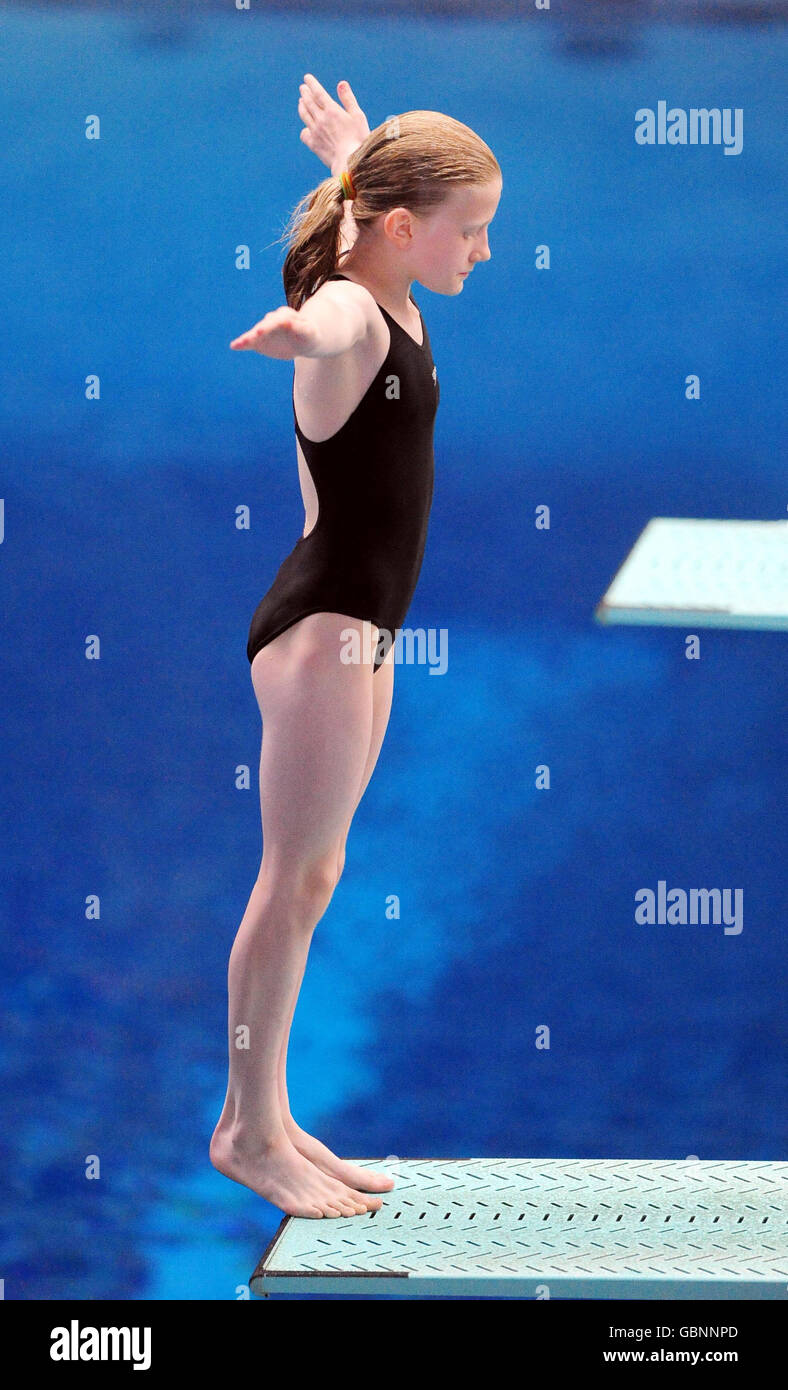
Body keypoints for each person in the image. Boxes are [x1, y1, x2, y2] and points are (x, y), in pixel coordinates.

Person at [210, 75, 502, 1218]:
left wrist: (353, 146)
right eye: (468, 231)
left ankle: (272, 1115)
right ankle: (243, 1127)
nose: (481, 252)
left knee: (317, 875)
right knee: (291, 880)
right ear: (398, 230)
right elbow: (329, 315)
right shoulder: (346, 313)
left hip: (361, 631)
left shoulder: (380, 251)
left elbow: (358, 199)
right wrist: (292, 329)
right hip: (324, 630)